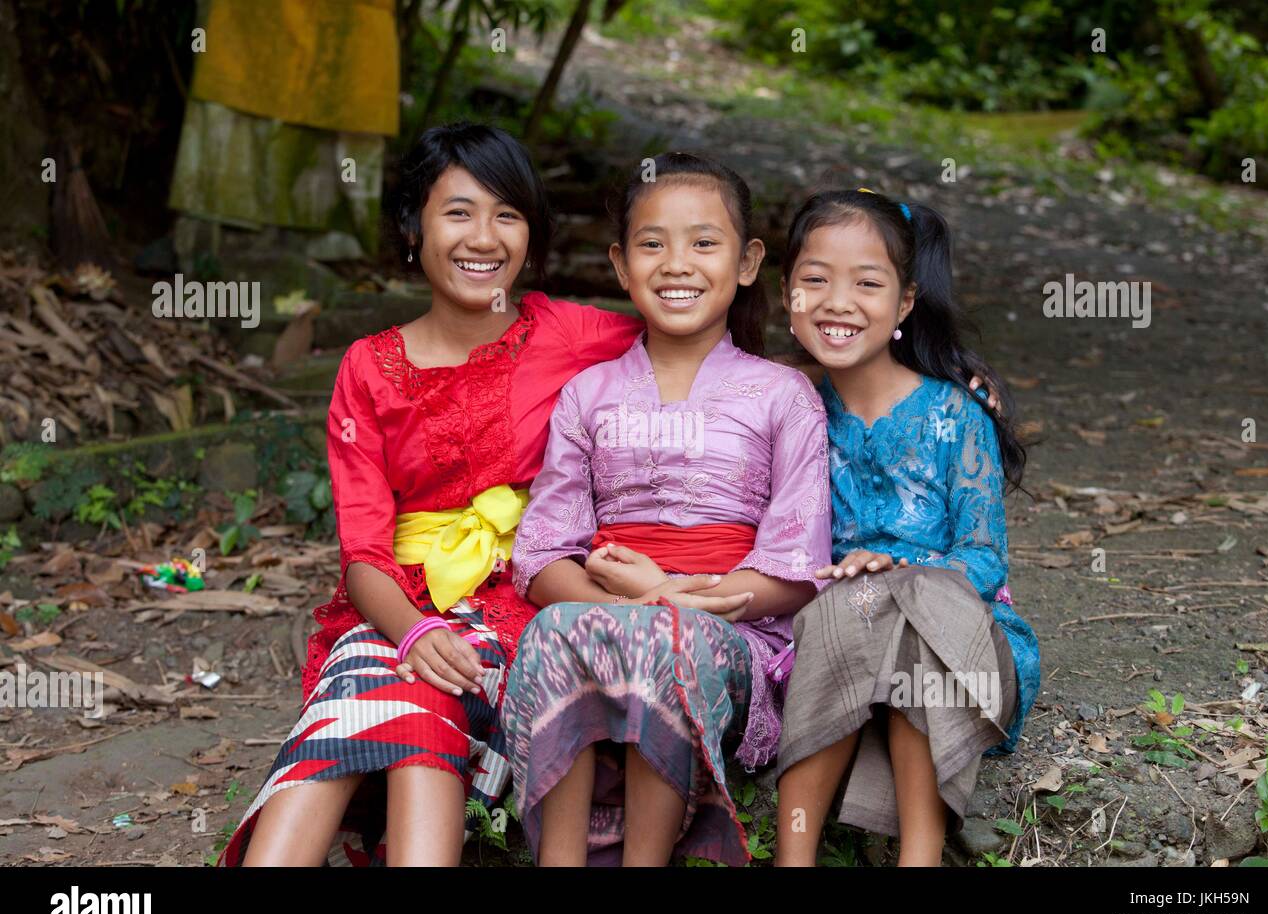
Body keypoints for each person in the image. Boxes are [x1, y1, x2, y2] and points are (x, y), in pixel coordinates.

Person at [220, 122, 645, 866]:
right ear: (412, 227)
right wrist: (413, 631)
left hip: (522, 606)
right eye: (458, 212)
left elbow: (690, 338)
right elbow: (362, 552)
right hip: (397, 609)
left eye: (507, 215)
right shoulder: (369, 367)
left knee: (424, 699)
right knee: (369, 679)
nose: (485, 238)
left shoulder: (573, 334)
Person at [501, 153, 832, 867]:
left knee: (665, 639)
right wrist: (646, 595)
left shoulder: (783, 396)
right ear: (621, 265)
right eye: (653, 244)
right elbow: (540, 555)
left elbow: (798, 570)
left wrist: (679, 604)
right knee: (553, 630)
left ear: (746, 262)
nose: (676, 263)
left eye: (703, 243)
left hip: (733, 632)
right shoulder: (589, 395)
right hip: (606, 605)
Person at [774, 187, 1040, 867]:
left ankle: (917, 858)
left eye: (867, 283)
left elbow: (984, 559)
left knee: (908, 612)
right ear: (787, 294)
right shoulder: (788, 408)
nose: (837, 301)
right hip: (837, 634)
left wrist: (903, 576)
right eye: (815, 280)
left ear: (905, 303)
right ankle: (791, 857)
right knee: (851, 605)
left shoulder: (954, 415)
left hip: (961, 637)